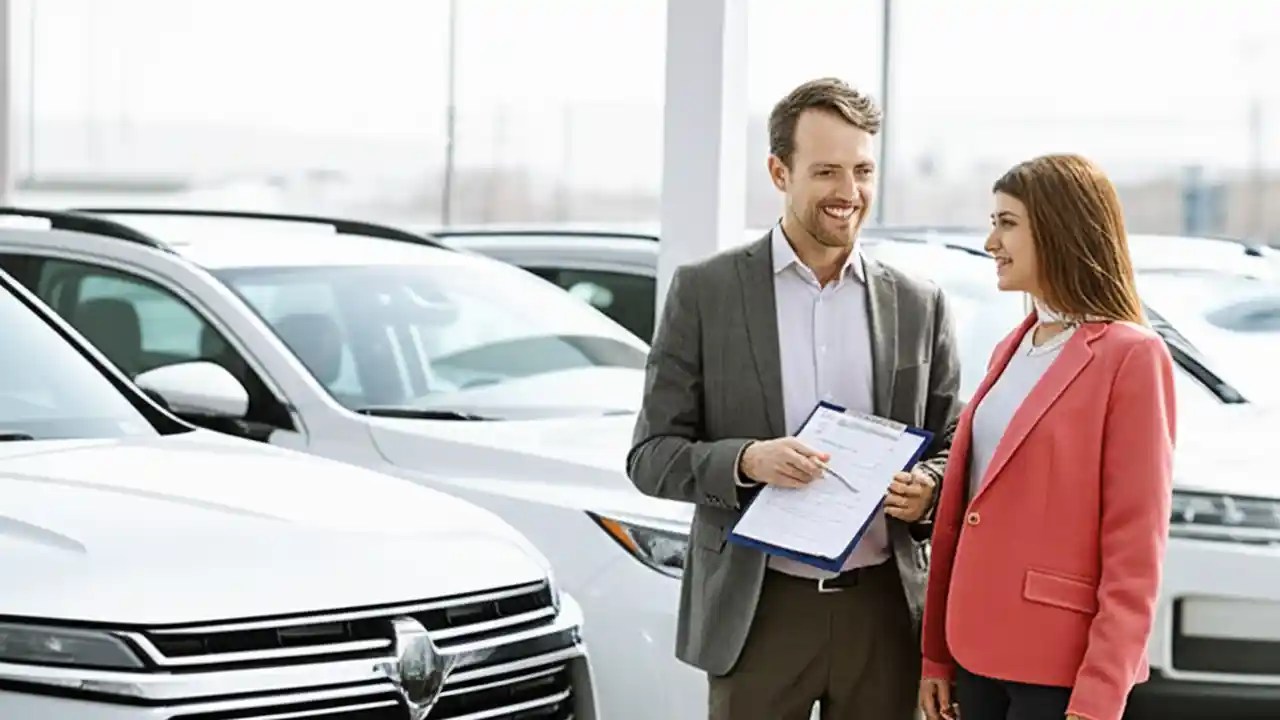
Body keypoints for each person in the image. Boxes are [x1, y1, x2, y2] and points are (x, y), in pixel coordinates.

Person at [627, 77, 963, 720]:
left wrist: (929, 490)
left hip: (884, 612)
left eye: (863, 170)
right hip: (758, 613)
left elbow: (954, 447)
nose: (849, 192)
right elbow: (650, 456)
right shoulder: (707, 293)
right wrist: (747, 460)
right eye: (827, 171)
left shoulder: (919, 304)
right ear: (780, 171)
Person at [917, 153, 1177, 720]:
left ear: (1059, 228)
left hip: (1061, 670)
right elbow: (964, 512)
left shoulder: (1131, 356)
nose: (990, 241)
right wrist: (936, 656)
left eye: (1007, 223)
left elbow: (1136, 548)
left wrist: (1100, 697)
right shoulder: (1011, 347)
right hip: (976, 651)